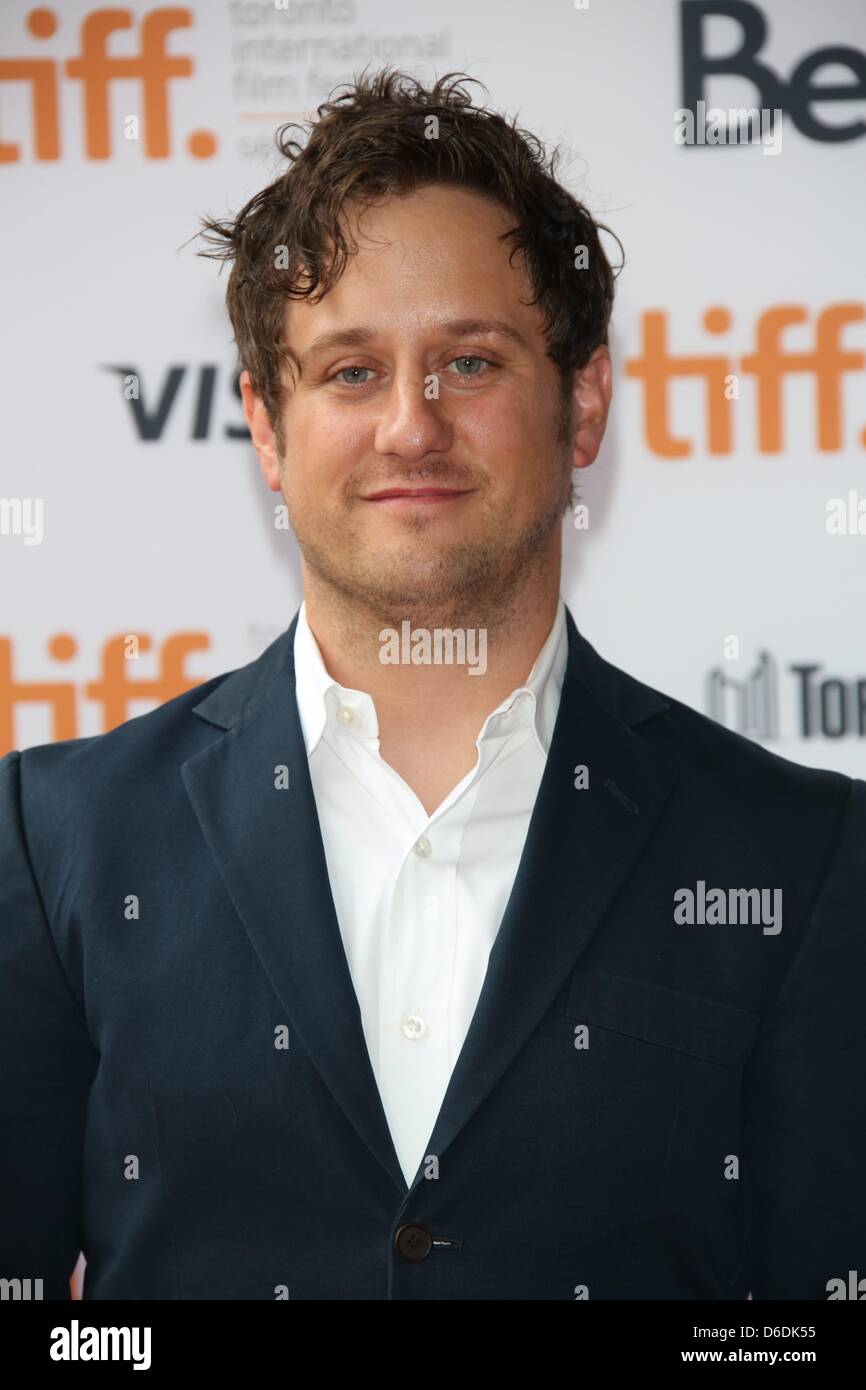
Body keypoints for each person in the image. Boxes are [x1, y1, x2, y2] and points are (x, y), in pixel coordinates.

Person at [1, 69, 864, 1301]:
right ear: (263, 423)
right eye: (350, 372)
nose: (410, 425)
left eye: (469, 361)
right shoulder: (58, 840)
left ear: (583, 403)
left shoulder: (797, 854)